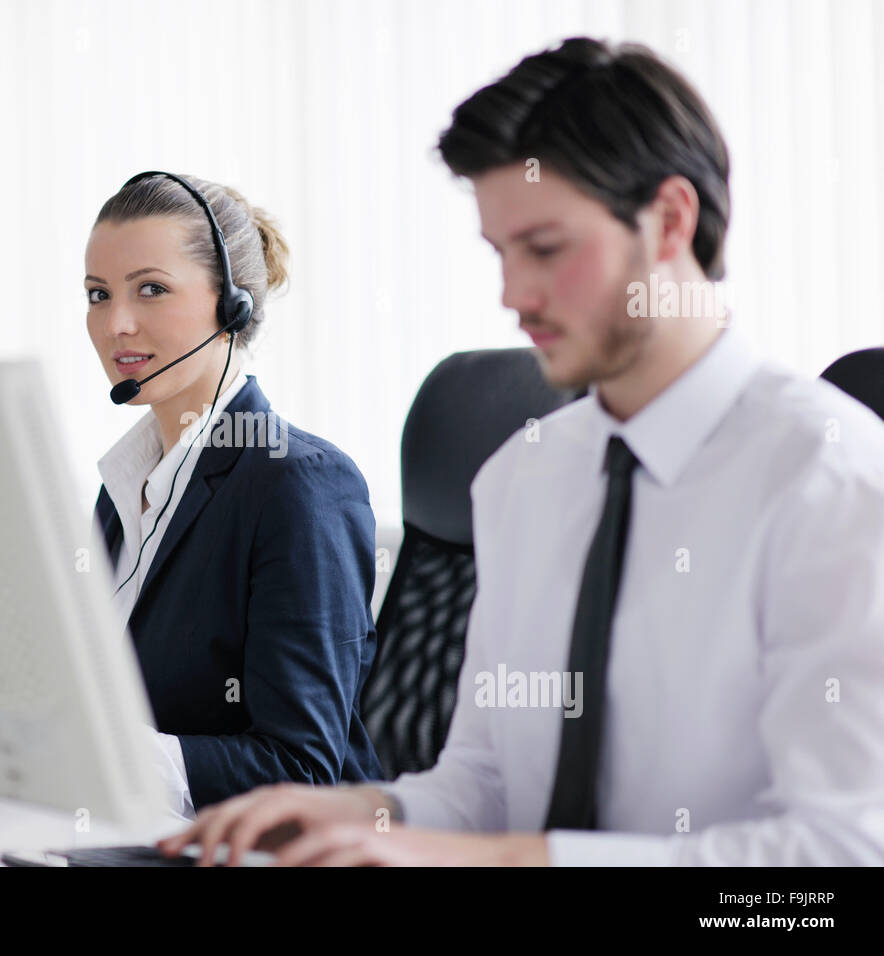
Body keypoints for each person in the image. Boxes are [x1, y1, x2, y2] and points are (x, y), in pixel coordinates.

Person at [160, 37, 884, 865]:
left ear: (673, 220)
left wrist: (504, 863)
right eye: (499, 255)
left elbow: (838, 862)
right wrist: (358, 814)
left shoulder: (833, 481)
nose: (512, 297)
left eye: (544, 249)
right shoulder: (524, 477)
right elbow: (486, 782)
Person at [85, 171, 383, 816]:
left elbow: (300, 769)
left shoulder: (298, 484)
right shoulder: (122, 488)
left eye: (151, 290)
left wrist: (100, 754)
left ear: (232, 305)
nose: (117, 324)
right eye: (98, 294)